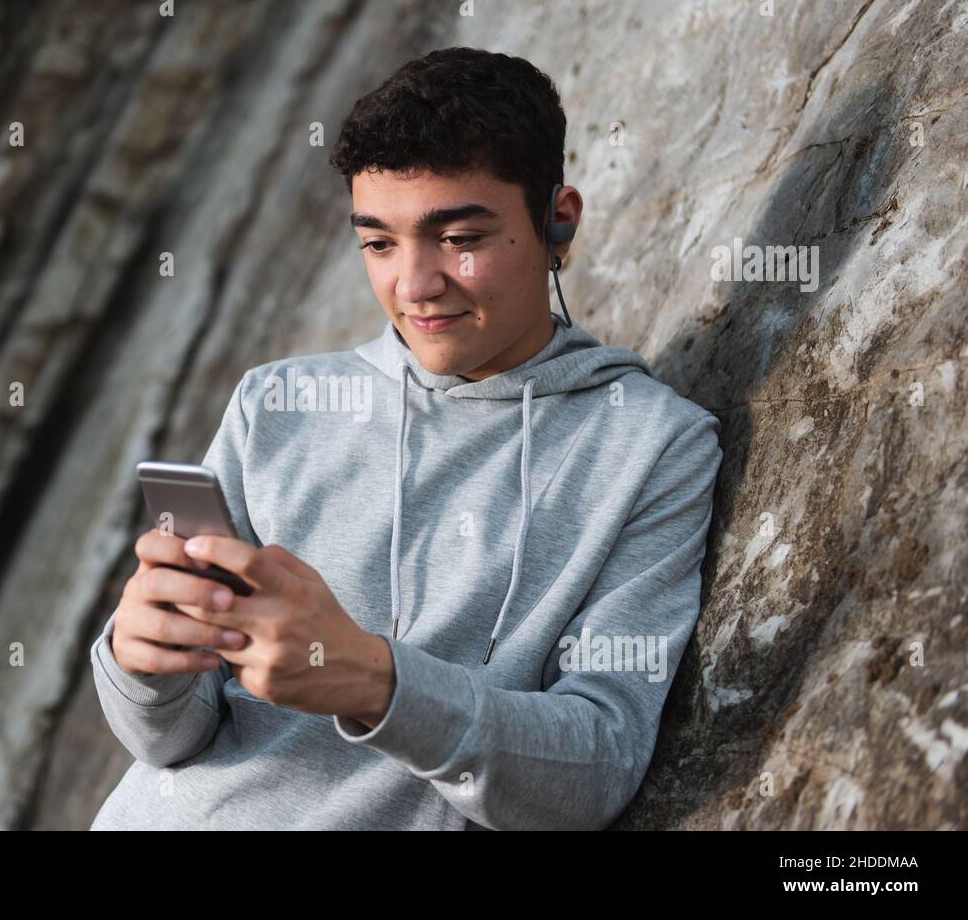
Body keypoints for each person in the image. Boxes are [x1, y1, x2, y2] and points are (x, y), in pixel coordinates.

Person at [89, 47, 723, 830]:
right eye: (379, 243)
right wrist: (142, 664)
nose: (415, 284)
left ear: (560, 218)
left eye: (459, 237)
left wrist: (374, 682)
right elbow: (168, 738)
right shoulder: (277, 403)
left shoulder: (653, 446)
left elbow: (597, 762)